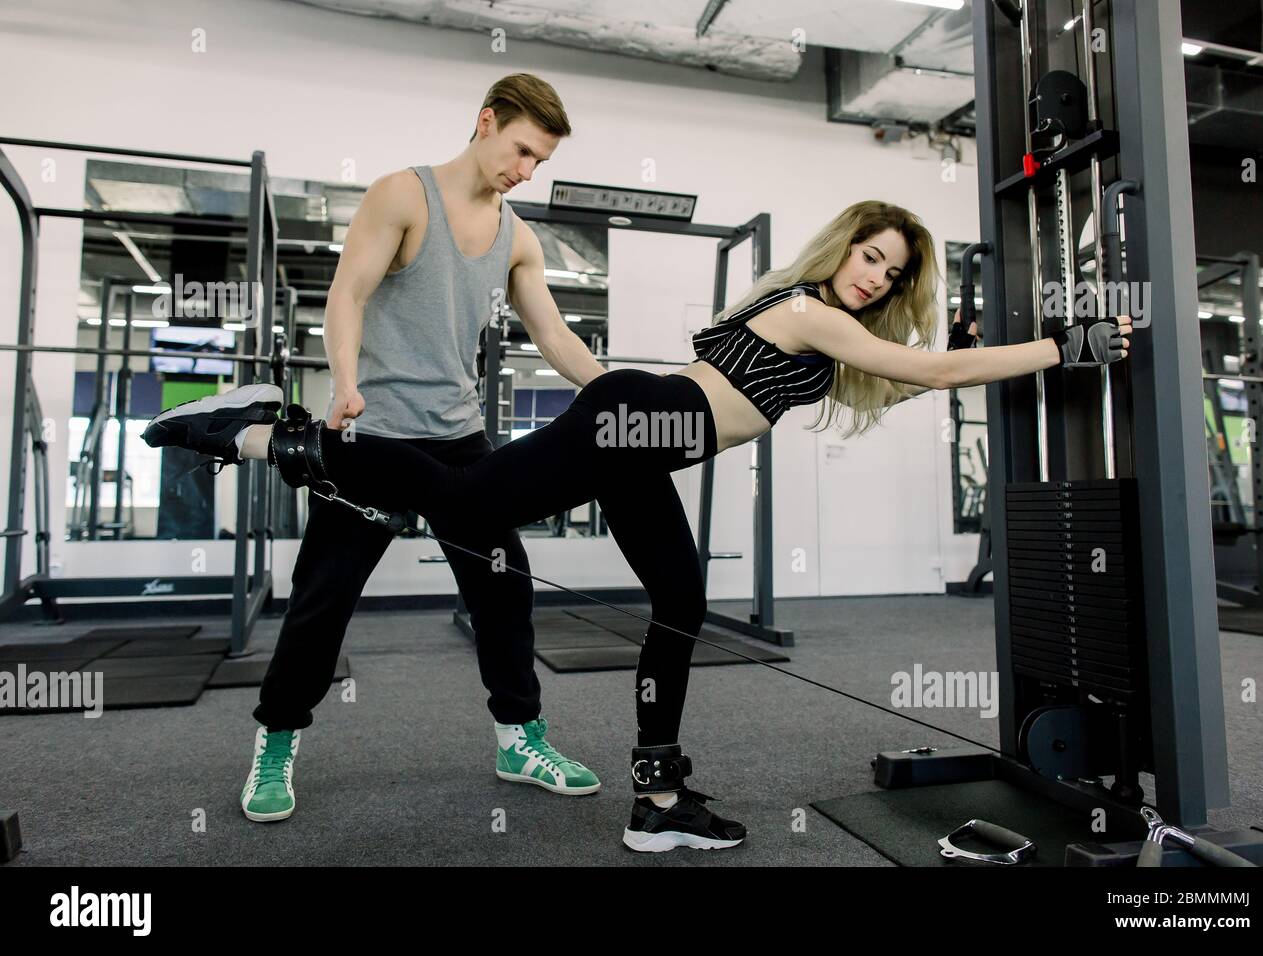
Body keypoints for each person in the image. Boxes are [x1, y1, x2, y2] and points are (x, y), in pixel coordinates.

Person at [146, 200, 1132, 851]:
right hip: (642, 419)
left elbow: (907, 368)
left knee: (669, 594)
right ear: (842, 250)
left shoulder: (832, 325)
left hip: (647, 432)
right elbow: (925, 373)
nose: (873, 274)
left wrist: (957, 343)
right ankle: (273, 433)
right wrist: (1066, 345)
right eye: (868, 255)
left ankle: (658, 797)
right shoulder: (808, 306)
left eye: (890, 268)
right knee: (468, 502)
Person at [218, 73, 611, 824]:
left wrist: (620, 393)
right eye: (522, 151)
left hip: (460, 441)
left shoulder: (516, 236)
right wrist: (342, 383)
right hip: (372, 435)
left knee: (504, 589)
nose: (525, 172)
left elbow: (554, 335)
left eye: (540, 163)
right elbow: (348, 293)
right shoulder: (403, 195)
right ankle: (276, 739)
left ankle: (519, 738)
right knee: (323, 601)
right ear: (486, 121)